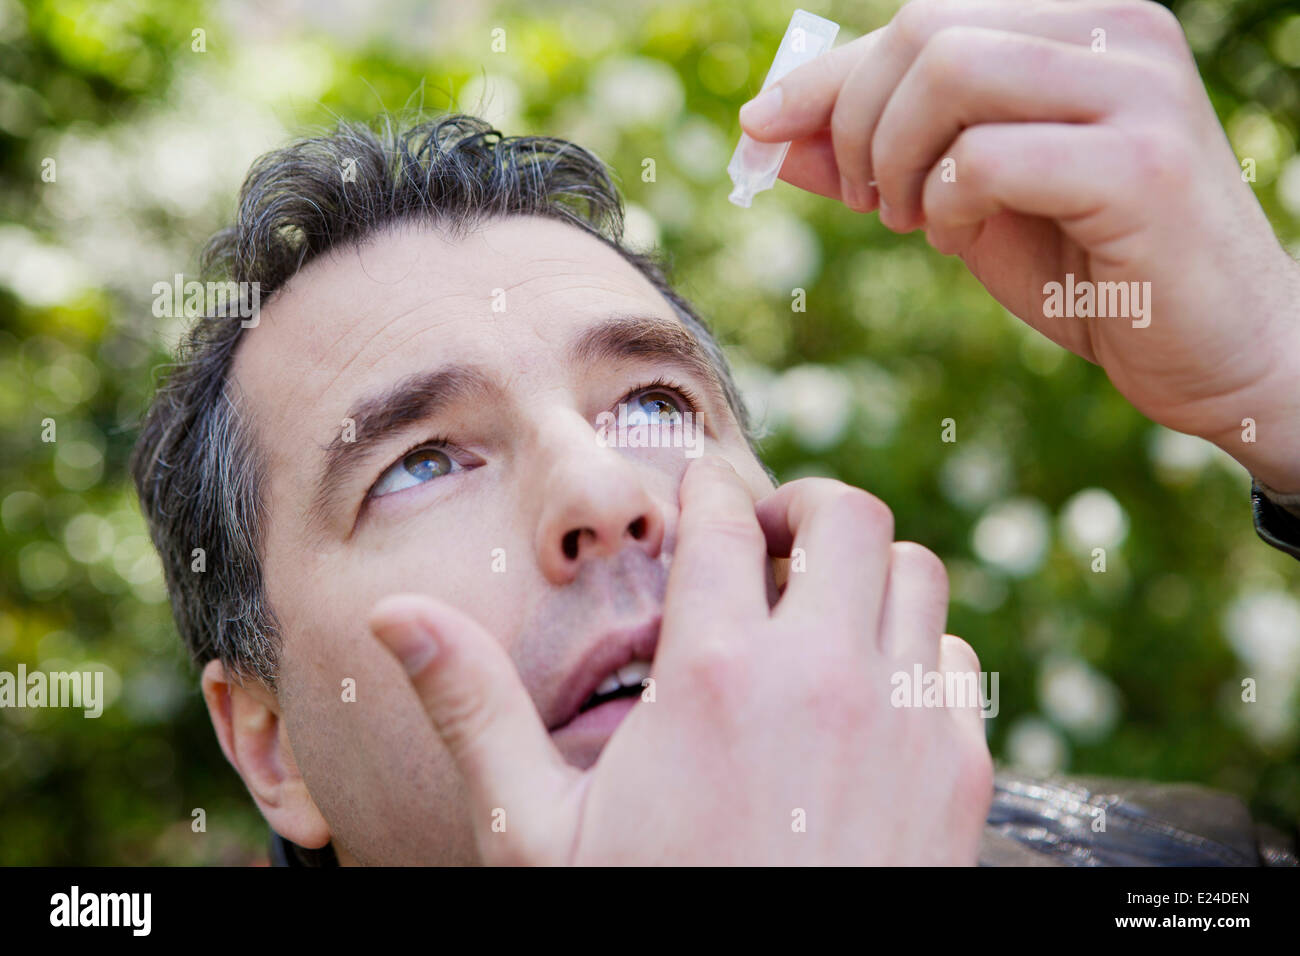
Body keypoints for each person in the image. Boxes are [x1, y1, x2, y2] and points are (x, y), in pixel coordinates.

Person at [132, 0, 1300, 865]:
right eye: (420, 462)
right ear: (272, 743)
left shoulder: (1189, 858)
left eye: (653, 404)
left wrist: (1278, 381)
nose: (605, 489)